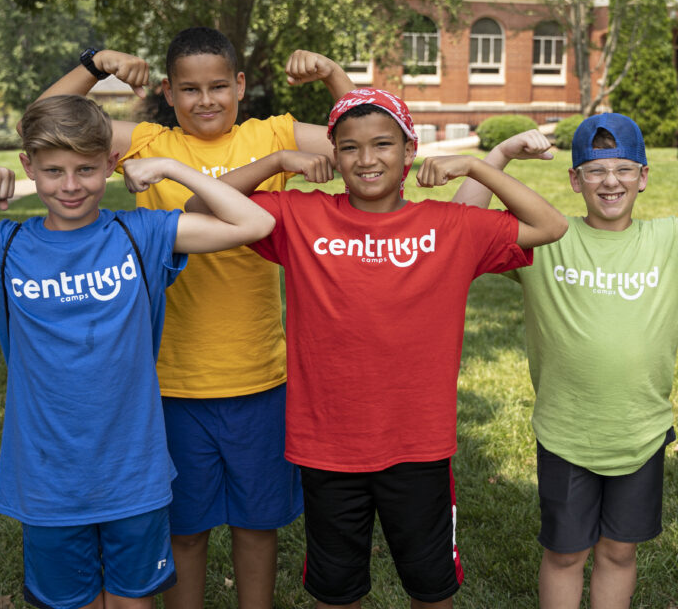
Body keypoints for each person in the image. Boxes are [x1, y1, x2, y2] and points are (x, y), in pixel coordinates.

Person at [0, 94, 276, 609]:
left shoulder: (138, 234)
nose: (71, 185)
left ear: (111, 165)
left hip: (133, 471)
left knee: (132, 601)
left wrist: (172, 168)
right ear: (27, 166)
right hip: (47, 475)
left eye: (86, 169)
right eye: (53, 171)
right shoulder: (2, 249)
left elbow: (253, 225)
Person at [187, 88, 568, 608]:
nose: (367, 159)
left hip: (418, 445)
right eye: (350, 148)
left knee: (431, 588)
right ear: (333, 155)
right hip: (327, 445)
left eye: (384, 144)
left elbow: (551, 226)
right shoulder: (300, 218)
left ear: (410, 152)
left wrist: (479, 169)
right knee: (336, 591)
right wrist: (277, 160)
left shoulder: (449, 227)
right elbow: (199, 203)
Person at [34, 28, 352, 609]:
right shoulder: (148, 142)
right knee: (185, 530)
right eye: (189, 89)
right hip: (169, 380)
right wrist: (95, 65)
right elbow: (45, 121)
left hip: (261, 376)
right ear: (168, 92)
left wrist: (333, 76)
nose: (205, 100)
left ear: (240, 85)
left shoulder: (271, 134)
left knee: (257, 527)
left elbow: (362, 137)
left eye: (216, 87)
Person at [451, 115, 678, 608]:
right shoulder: (547, 238)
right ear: (574, 180)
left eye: (623, 169)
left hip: (640, 430)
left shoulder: (672, 240)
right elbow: (460, 230)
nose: (610, 181)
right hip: (566, 431)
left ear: (644, 177)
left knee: (617, 551)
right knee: (566, 555)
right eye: (594, 171)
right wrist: (497, 157)